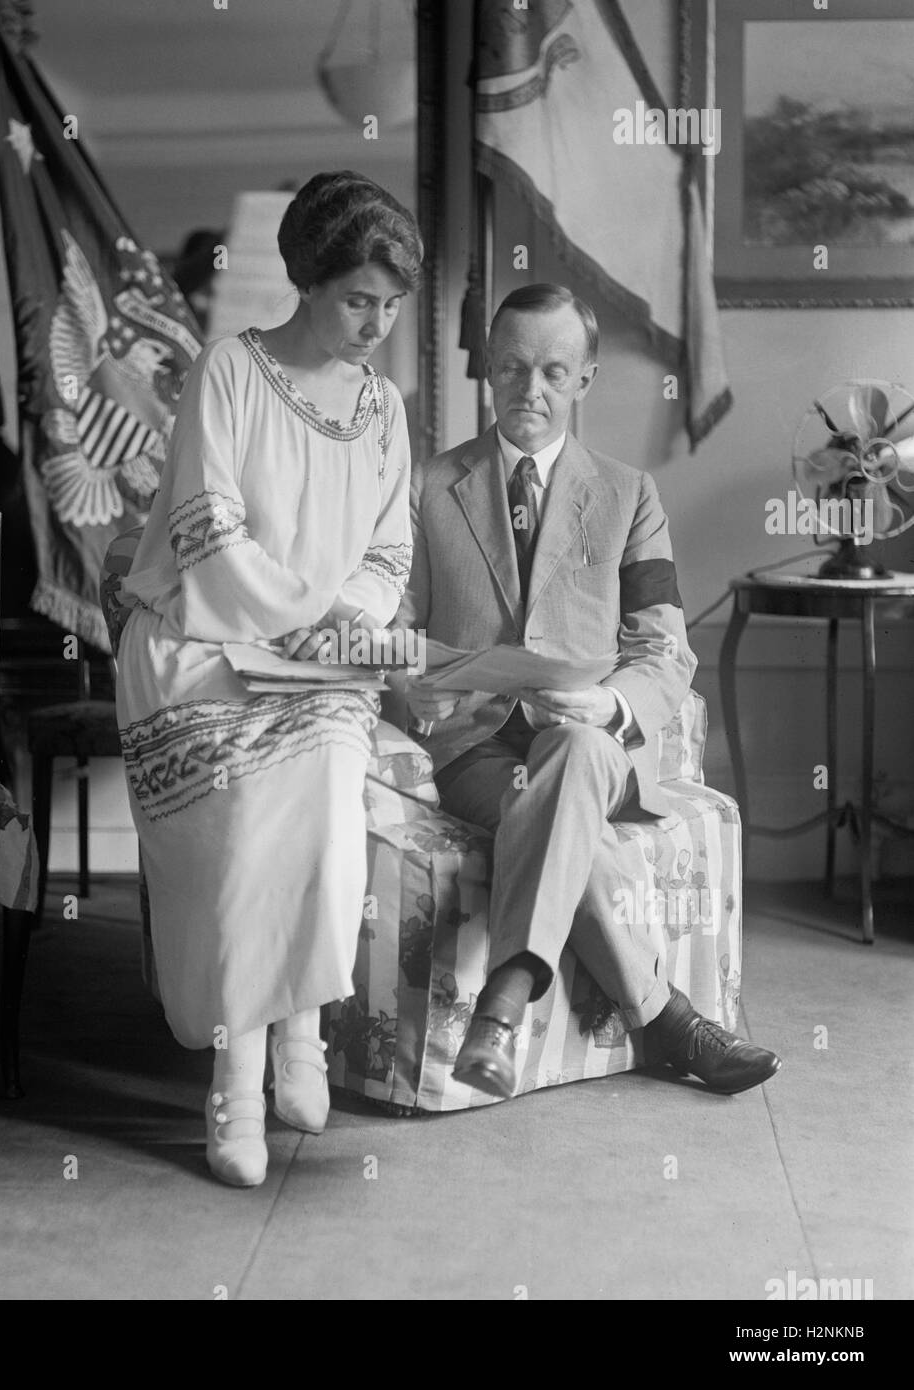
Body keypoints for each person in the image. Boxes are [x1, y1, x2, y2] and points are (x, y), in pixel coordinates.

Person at [397, 283, 780, 1100]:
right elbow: (393, 629)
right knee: (553, 802)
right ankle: (665, 1020)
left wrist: (607, 705)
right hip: (475, 747)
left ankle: (500, 1006)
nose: (527, 390)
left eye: (550, 371)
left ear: (584, 379)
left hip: (596, 739)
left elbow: (664, 650)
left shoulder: (628, 493)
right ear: (486, 371)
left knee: (572, 749)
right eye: (509, 368)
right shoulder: (428, 488)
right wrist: (412, 686)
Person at [115, 171, 422, 1186]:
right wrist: (304, 618)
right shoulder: (228, 371)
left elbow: (388, 550)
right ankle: (237, 1081)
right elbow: (208, 535)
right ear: (308, 281)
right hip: (197, 650)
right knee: (251, 820)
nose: (375, 323)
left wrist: (353, 622)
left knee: (331, 788)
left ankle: (300, 1036)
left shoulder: (384, 408)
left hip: (314, 666)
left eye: (389, 305)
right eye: (356, 300)